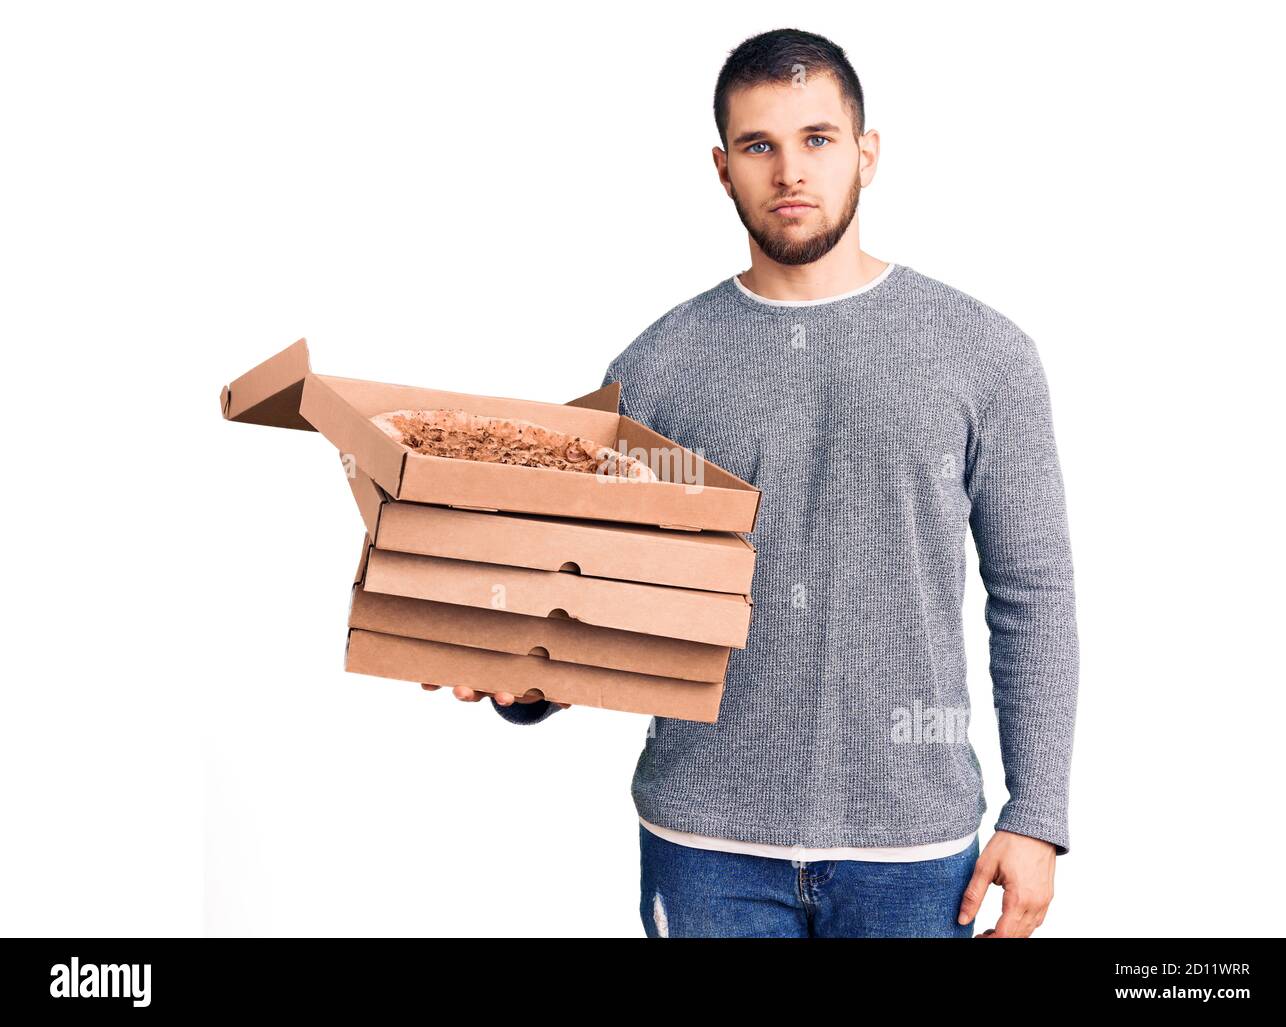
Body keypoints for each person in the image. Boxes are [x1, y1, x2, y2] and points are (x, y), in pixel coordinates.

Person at [425, 27, 1079, 939]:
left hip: (915, 850)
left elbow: (1032, 589)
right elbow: (590, 587)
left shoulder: (986, 354)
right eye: (759, 145)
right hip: (704, 847)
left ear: (867, 152)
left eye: (818, 139)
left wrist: (1036, 813)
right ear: (722, 168)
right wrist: (514, 671)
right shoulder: (655, 369)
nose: (790, 172)